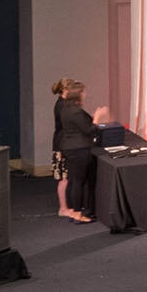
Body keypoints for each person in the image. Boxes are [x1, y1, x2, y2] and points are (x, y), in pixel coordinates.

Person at [49, 78, 106, 223]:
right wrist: (97, 118)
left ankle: (75, 212)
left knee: (75, 181)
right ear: (77, 94)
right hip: (79, 149)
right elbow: (89, 131)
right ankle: (78, 213)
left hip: (71, 148)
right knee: (78, 182)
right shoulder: (74, 111)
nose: (84, 94)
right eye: (83, 92)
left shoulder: (66, 109)